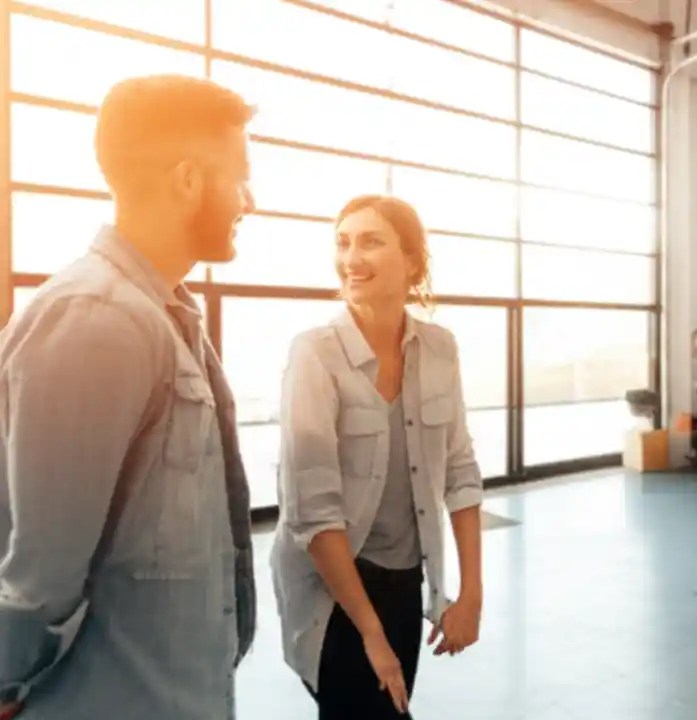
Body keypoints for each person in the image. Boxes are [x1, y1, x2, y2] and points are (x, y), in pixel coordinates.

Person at [0, 75, 258, 719]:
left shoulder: (167, 317)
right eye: (240, 177)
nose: (248, 200)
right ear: (188, 180)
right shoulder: (98, 321)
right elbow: (38, 581)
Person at [270, 195, 484, 719]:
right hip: (331, 588)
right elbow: (313, 512)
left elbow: (460, 469)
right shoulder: (314, 353)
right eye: (343, 243)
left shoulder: (439, 348)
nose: (350, 258)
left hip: (403, 581)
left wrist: (470, 594)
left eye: (370, 241)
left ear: (412, 261)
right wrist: (370, 632)